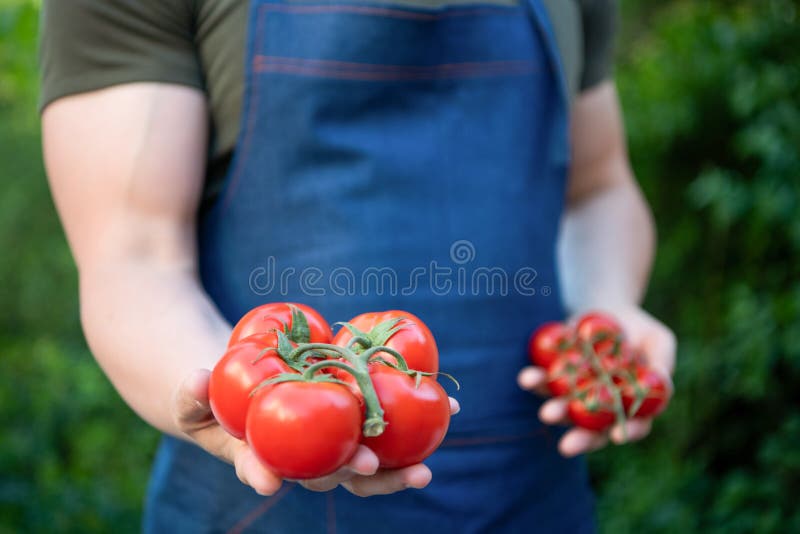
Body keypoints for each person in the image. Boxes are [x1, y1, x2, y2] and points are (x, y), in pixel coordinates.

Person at [39, 0, 676, 532]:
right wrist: (246, 411)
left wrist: (607, 302)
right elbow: (133, 255)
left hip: (536, 500)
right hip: (257, 511)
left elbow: (597, 189)